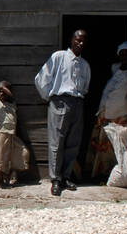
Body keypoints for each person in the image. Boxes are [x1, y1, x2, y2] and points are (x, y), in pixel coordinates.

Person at [34, 29, 90, 196]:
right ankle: (55, 180)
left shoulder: (85, 65)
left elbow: (85, 87)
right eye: (77, 39)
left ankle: (66, 176)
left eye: (83, 41)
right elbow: (41, 79)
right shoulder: (58, 57)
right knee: (56, 142)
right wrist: (50, 98)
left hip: (77, 102)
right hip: (59, 101)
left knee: (73, 143)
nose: (80, 43)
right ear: (71, 39)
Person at [90, 40, 127, 183]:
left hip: (121, 114)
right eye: (122, 54)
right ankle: (102, 173)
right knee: (103, 146)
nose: (124, 57)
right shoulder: (116, 69)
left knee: (117, 145)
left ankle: (118, 173)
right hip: (105, 111)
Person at [0, 80, 28, 188]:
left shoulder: (12, 103)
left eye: (4, 91)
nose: (1, 94)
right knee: (0, 158)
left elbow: (10, 95)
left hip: (12, 133)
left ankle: (7, 178)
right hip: (1, 133)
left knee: (21, 153)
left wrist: (4, 89)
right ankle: (0, 182)